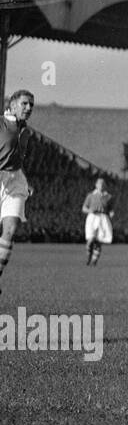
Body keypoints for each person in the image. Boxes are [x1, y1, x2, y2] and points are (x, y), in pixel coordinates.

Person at [0, 89, 36, 295]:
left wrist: (26, 180)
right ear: (12, 105)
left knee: (11, 228)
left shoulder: (26, 132)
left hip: (15, 181)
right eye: (24, 104)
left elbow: (18, 160)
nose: (29, 108)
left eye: (31, 105)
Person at [82, 177, 114, 266]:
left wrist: (111, 213)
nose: (101, 185)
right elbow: (84, 208)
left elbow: (110, 209)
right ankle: (88, 255)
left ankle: (94, 261)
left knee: (99, 240)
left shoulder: (108, 197)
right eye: (99, 183)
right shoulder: (91, 195)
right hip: (92, 217)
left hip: (103, 218)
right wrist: (90, 211)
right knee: (91, 239)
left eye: (103, 184)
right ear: (96, 185)